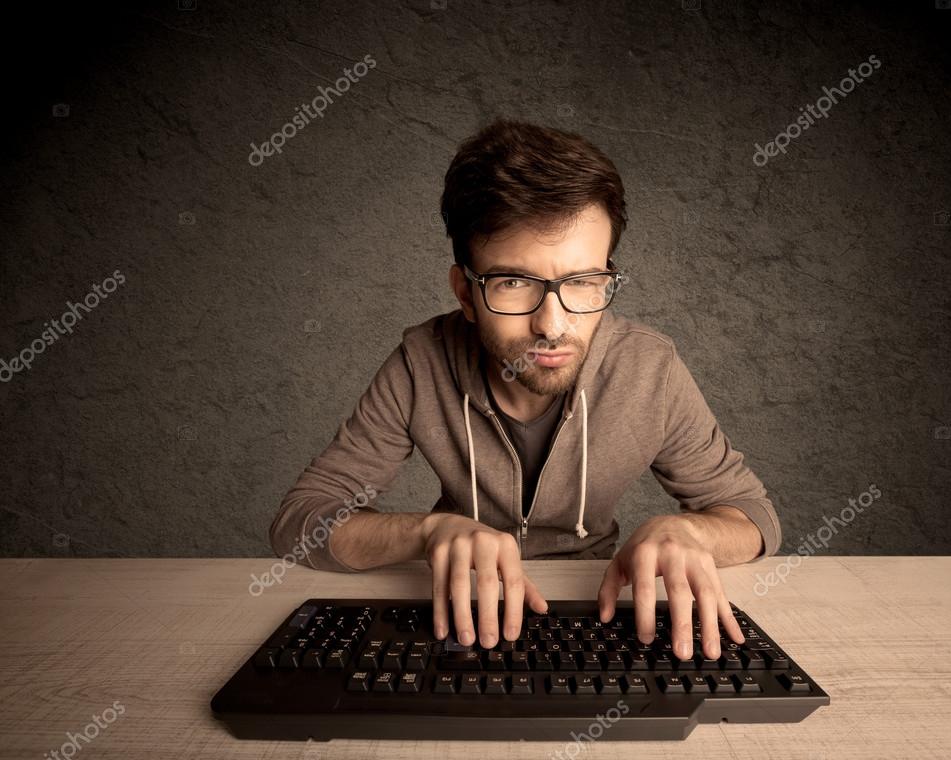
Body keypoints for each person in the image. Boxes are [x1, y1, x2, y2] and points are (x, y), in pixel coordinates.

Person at [269, 118, 781, 664]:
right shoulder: (421, 362)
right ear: (465, 292)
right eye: (514, 282)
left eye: (583, 282)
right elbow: (300, 521)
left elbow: (753, 516)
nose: (552, 324)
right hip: (459, 608)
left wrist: (690, 533)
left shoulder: (649, 367)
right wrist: (429, 531)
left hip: (594, 608)